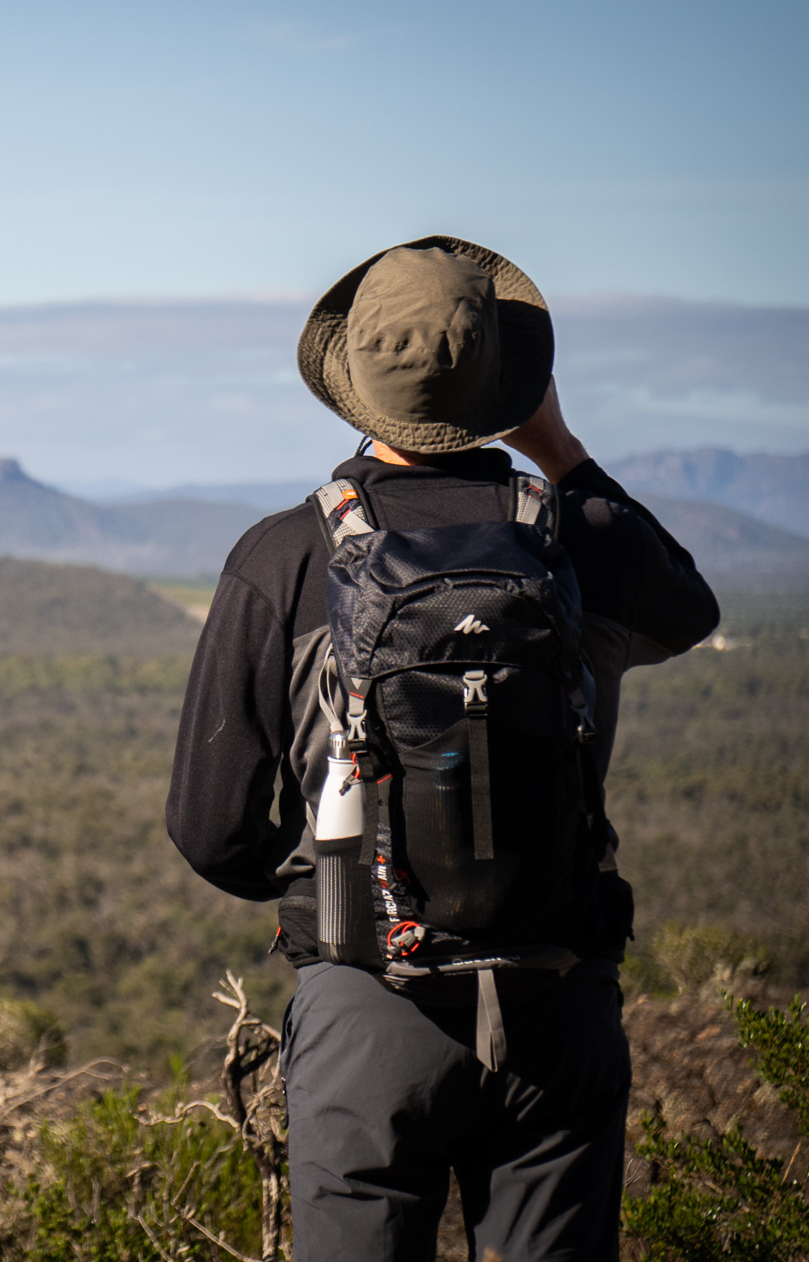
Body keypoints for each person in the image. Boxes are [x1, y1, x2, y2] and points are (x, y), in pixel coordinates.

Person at [165, 236, 718, 1261]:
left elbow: (209, 830)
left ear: (351, 385)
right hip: (557, 994)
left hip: (368, 996)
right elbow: (687, 610)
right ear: (509, 384)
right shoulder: (569, 536)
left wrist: (340, 892)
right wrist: (560, 450)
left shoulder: (284, 556)